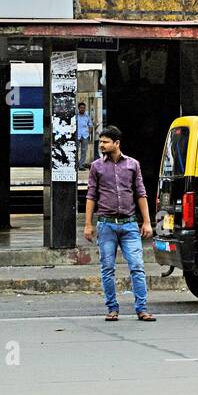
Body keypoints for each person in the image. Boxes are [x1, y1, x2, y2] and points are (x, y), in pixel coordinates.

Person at [83, 125, 156, 321]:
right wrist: (88, 224)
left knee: (137, 266)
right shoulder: (96, 166)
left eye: (106, 142)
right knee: (107, 268)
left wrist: (147, 222)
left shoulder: (133, 165)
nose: (102, 145)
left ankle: (142, 308)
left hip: (130, 224)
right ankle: (112, 308)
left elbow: (141, 193)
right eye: (101, 142)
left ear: (117, 143)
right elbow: (91, 196)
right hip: (106, 224)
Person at [76, 102, 93, 169]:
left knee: (84, 151)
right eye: (81, 108)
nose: (82, 109)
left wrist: (89, 132)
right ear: (78, 108)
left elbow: (90, 126)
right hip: (77, 135)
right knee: (76, 151)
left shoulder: (87, 117)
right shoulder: (76, 116)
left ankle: (81, 165)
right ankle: (76, 164)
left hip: (85, 136)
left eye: (83, 108)